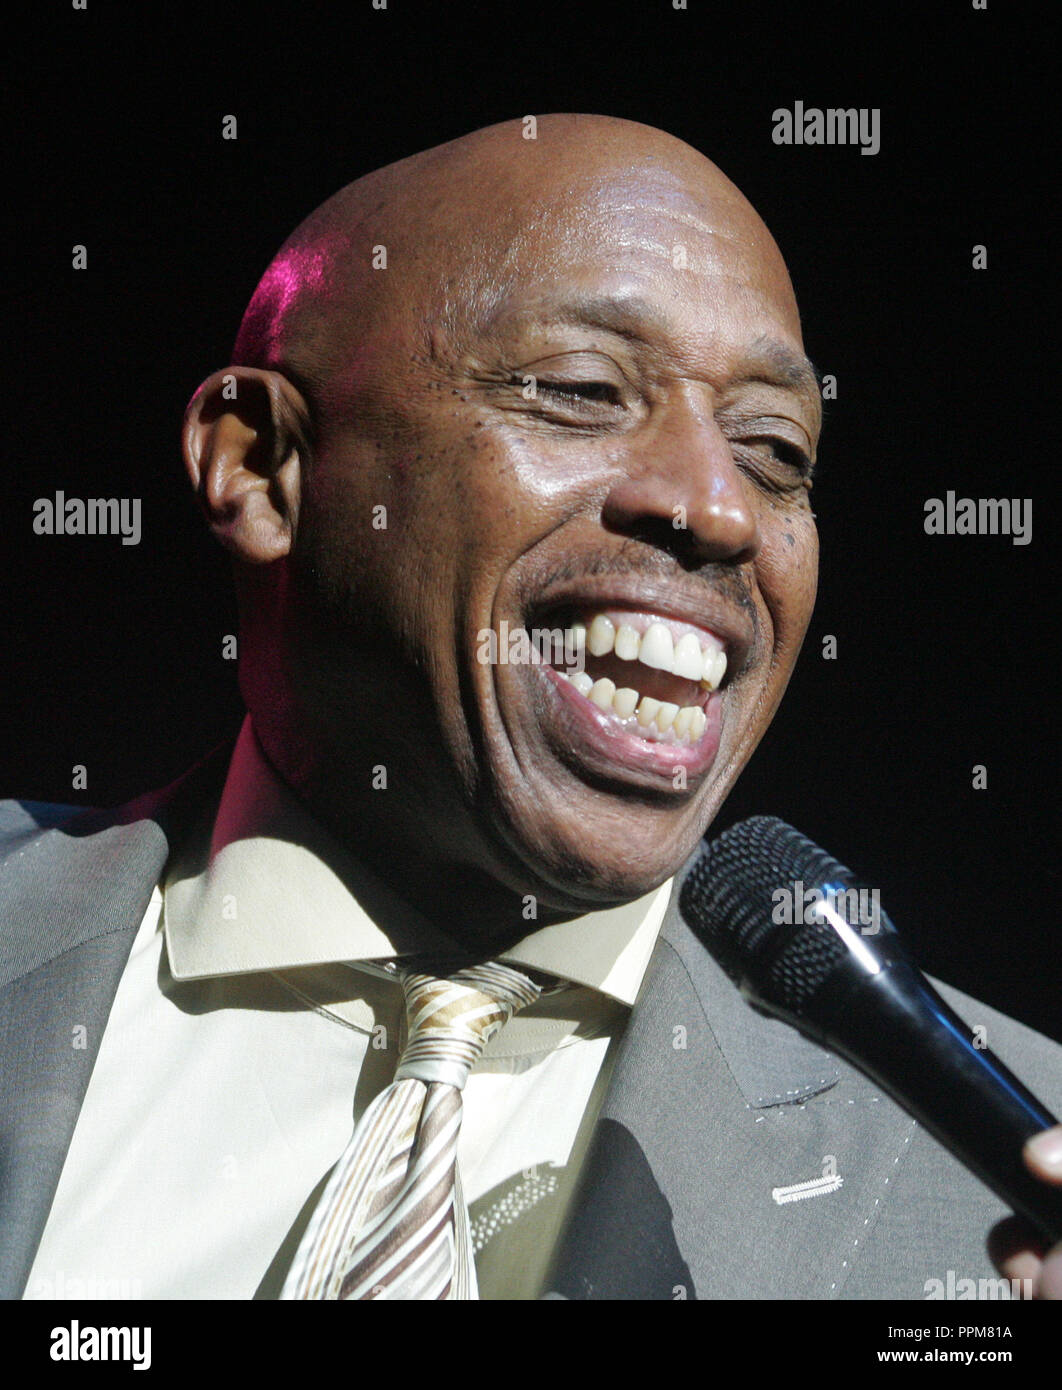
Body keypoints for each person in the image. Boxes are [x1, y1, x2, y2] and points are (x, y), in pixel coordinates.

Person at [2, 113, 1059, 1301]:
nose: (719, 508)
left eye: (774, 450)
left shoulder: (998, 1186)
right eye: (581, 390)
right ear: (261, 466)